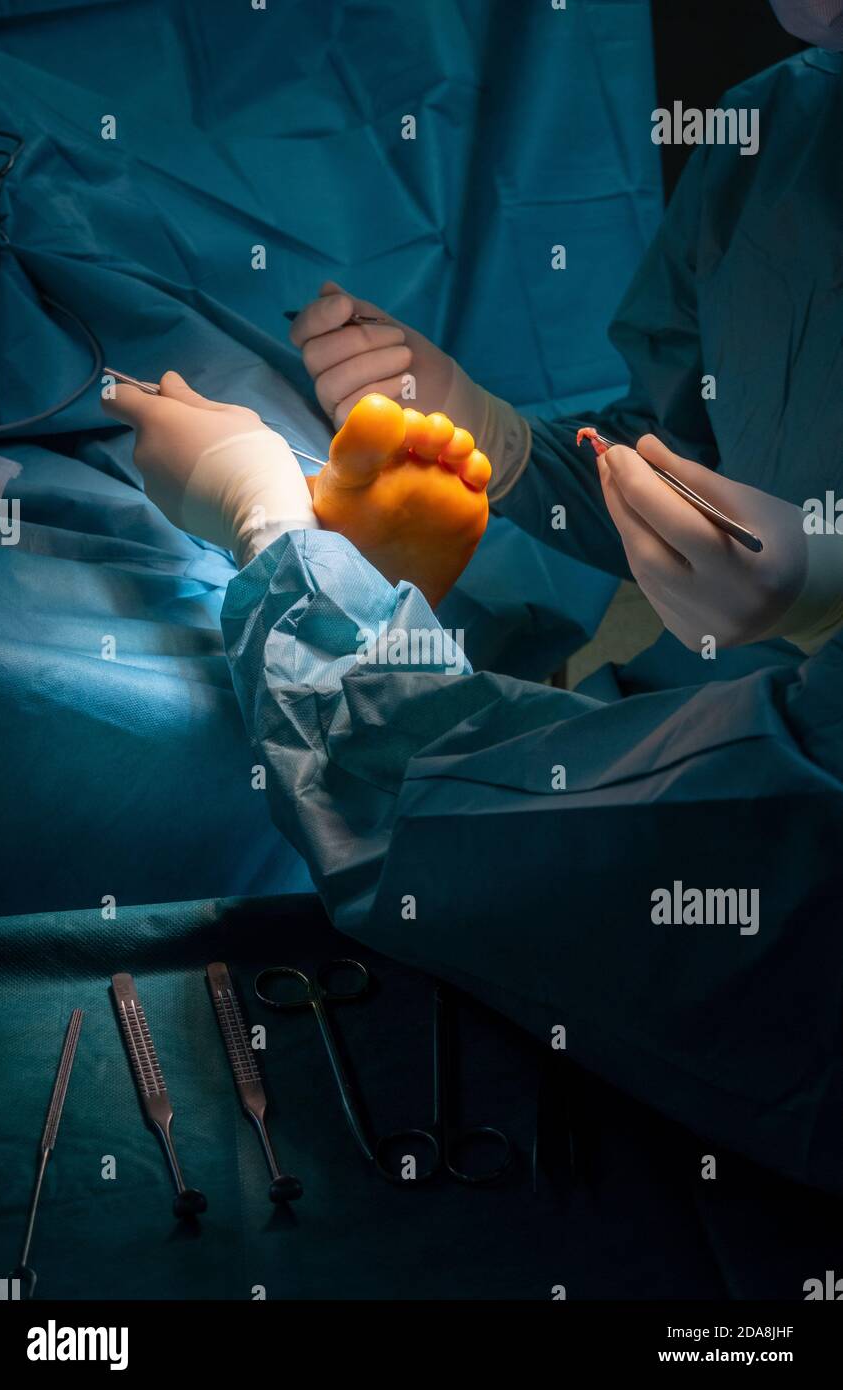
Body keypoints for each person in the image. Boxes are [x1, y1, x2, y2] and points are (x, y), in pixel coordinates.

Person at [103, 0, 843, 1193]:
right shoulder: (786, 117)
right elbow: (673, 463)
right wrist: (494, 429)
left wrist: (270, 527)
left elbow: (456, 816)